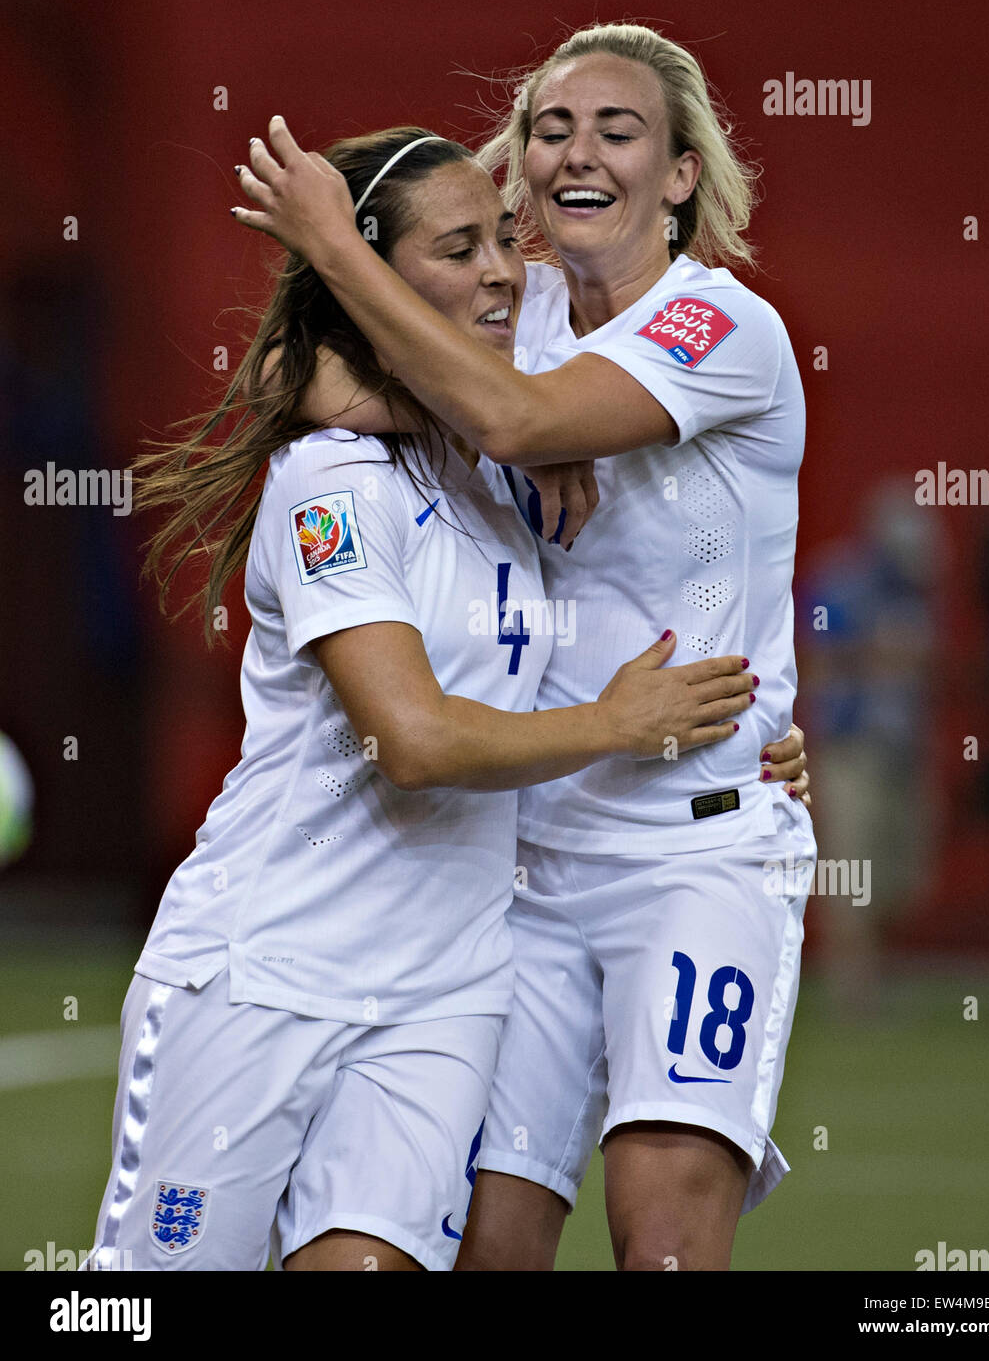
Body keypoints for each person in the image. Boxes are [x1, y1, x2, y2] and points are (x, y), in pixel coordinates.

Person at [84, 126, 768, 1274]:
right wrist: (620, 722)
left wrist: (743, 746)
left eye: (503, 236)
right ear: (377, 280)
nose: (503, 268)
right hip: (262, 972)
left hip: (444, 991)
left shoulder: (510, 456)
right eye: (458, 249)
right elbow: (408, 738)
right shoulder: (331, 482)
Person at [233, 20, 817, 1274]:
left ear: (677, 174)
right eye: (550, 127)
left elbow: (508, 409)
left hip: (696, 845)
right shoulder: (514, 307)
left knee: (660, 1244)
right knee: (492, 1249)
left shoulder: (722, 329)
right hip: (526, 860)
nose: (575, 150)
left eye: (617, 128)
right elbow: (291, 366)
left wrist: (341, 246)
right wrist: (482, 420)